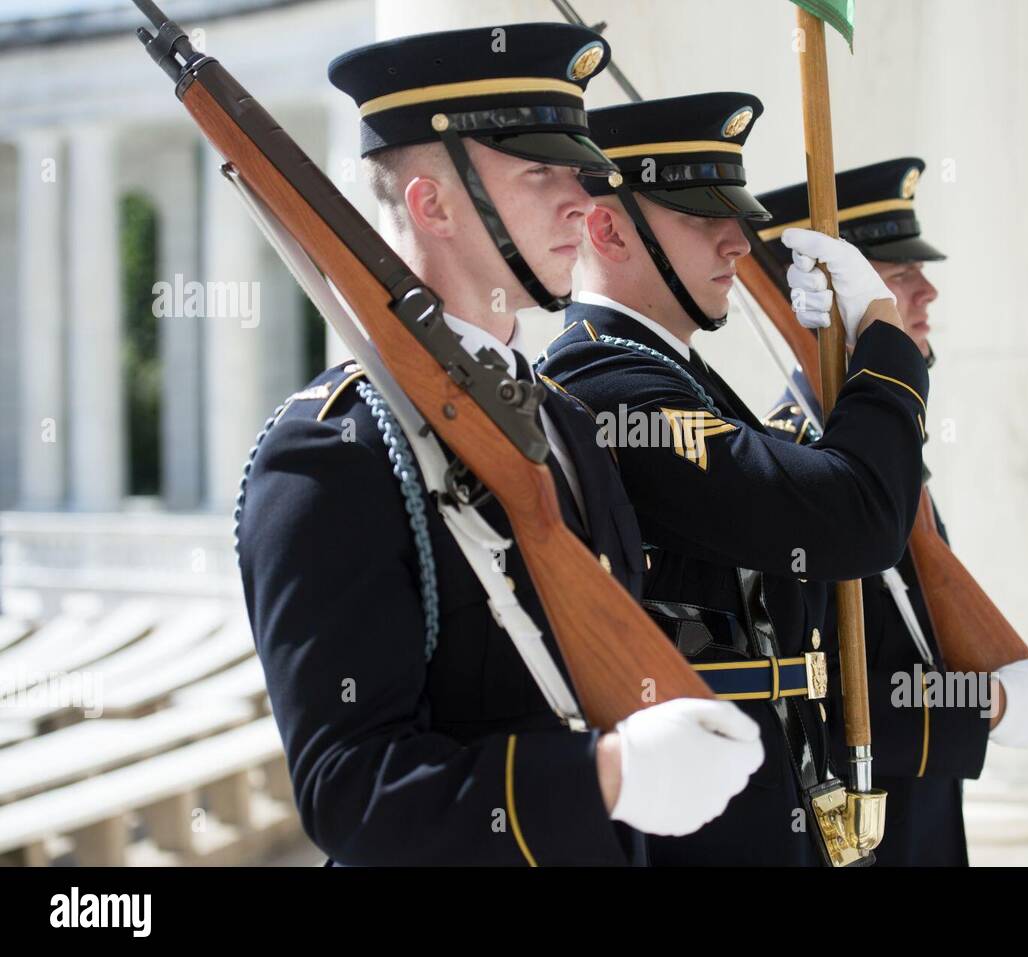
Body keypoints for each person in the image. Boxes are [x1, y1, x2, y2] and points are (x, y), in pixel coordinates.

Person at [235, 24, 763, 867]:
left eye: (581, 175)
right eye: (539, 172)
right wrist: (606, 777)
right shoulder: (334, 448)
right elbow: (351, 789)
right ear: (432, 205)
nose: (582, 205)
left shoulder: (564, 416)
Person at [537, 93, 929, 865]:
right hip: (714, 829)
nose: (737, 244)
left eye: (735, 217)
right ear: (609, 228)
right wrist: (882, 338)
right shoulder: (611, 383)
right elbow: (853, 515)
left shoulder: (670, 374)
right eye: (700, 218)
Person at [755, 160, 1028, 865]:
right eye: (895, 278)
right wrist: (989, 702)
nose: (926, 291)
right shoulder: (801, 455)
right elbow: (822, 699)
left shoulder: (876, 448)